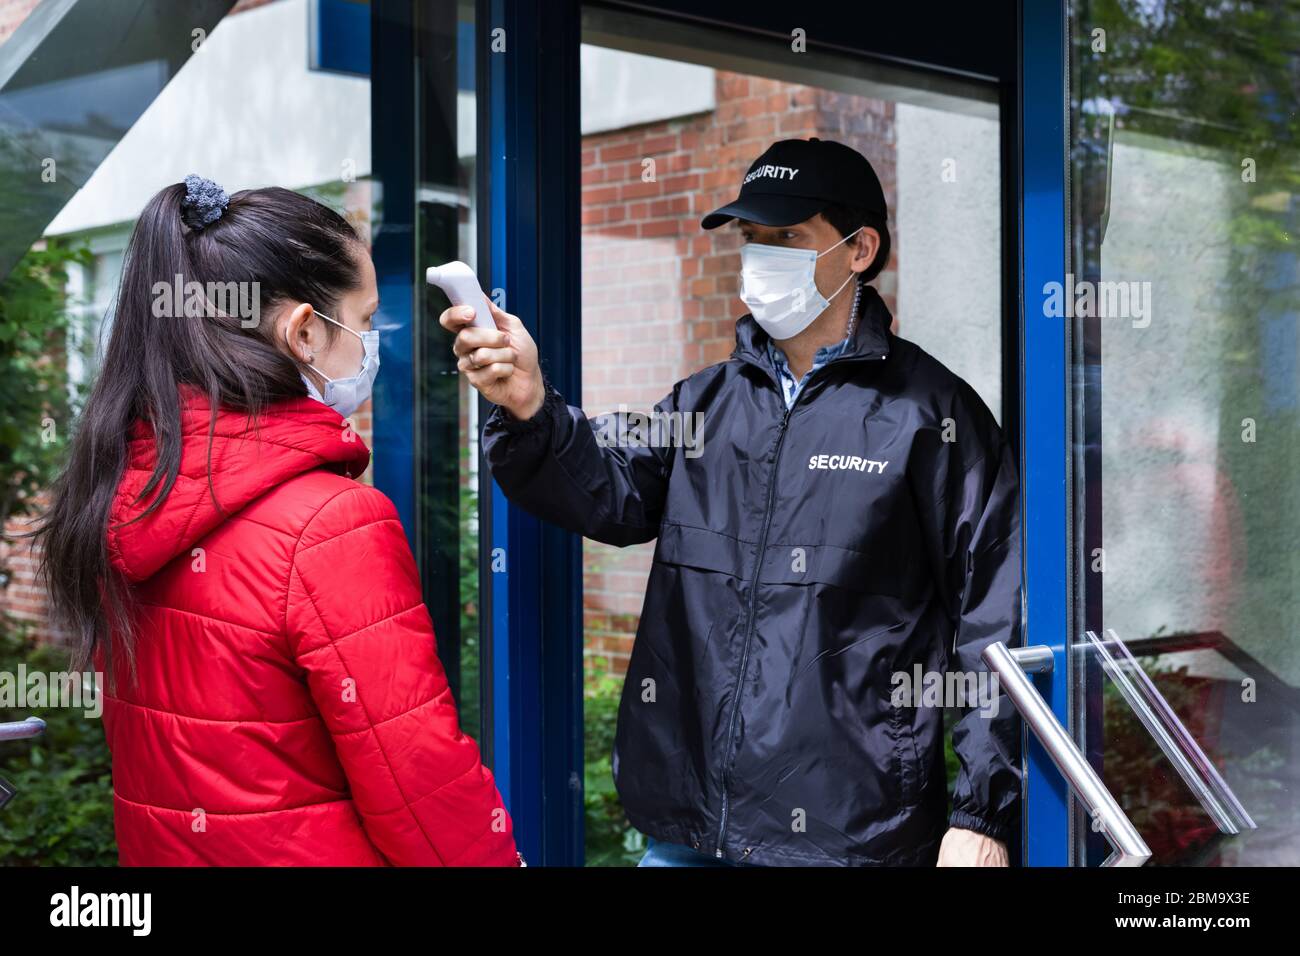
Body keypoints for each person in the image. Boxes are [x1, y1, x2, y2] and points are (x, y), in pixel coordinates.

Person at [442, 138, 1022, 867]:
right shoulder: (705, 402)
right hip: (689, 830)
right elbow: (606, 494)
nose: (760, 259)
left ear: (860, 249)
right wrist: (529, 404)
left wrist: (982, 813)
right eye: (752, 239)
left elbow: (996, 620)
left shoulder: (931, 416)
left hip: (851, 839)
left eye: (786, 238)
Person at [33, 176, 521, 867]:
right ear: (303, 332)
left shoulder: (125, 492)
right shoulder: (329, 524)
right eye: (367, 317)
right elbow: (415, 769)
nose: (375, 343)